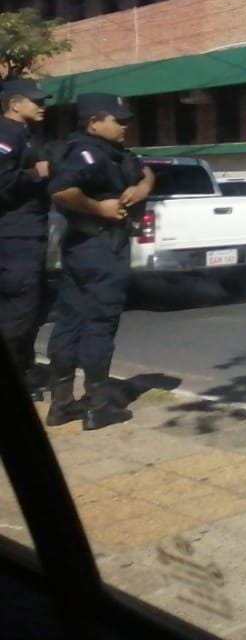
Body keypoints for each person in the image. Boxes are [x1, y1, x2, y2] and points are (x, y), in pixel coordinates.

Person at [46, 93, 155, 430]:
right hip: (97, 245)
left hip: (94, 247)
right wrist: (101, 208)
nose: (124, 126)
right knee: (98, 323)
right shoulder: (85, 153)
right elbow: (62, 191)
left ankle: (61, 404)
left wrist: (141, 188)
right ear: (95, 122)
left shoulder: (113, 153)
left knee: (72, 319)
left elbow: (145, 172)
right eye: (117, 120)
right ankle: (98, 405)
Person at [0, 79, 53, 399]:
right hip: (15, 235)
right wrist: (39, 175)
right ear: (15, 104)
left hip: (25, 233)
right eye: (34, 101)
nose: (41, 105)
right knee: (20, 310)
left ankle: (24, 372)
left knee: (28, 309)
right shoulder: (6, 134)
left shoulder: (25, 134)